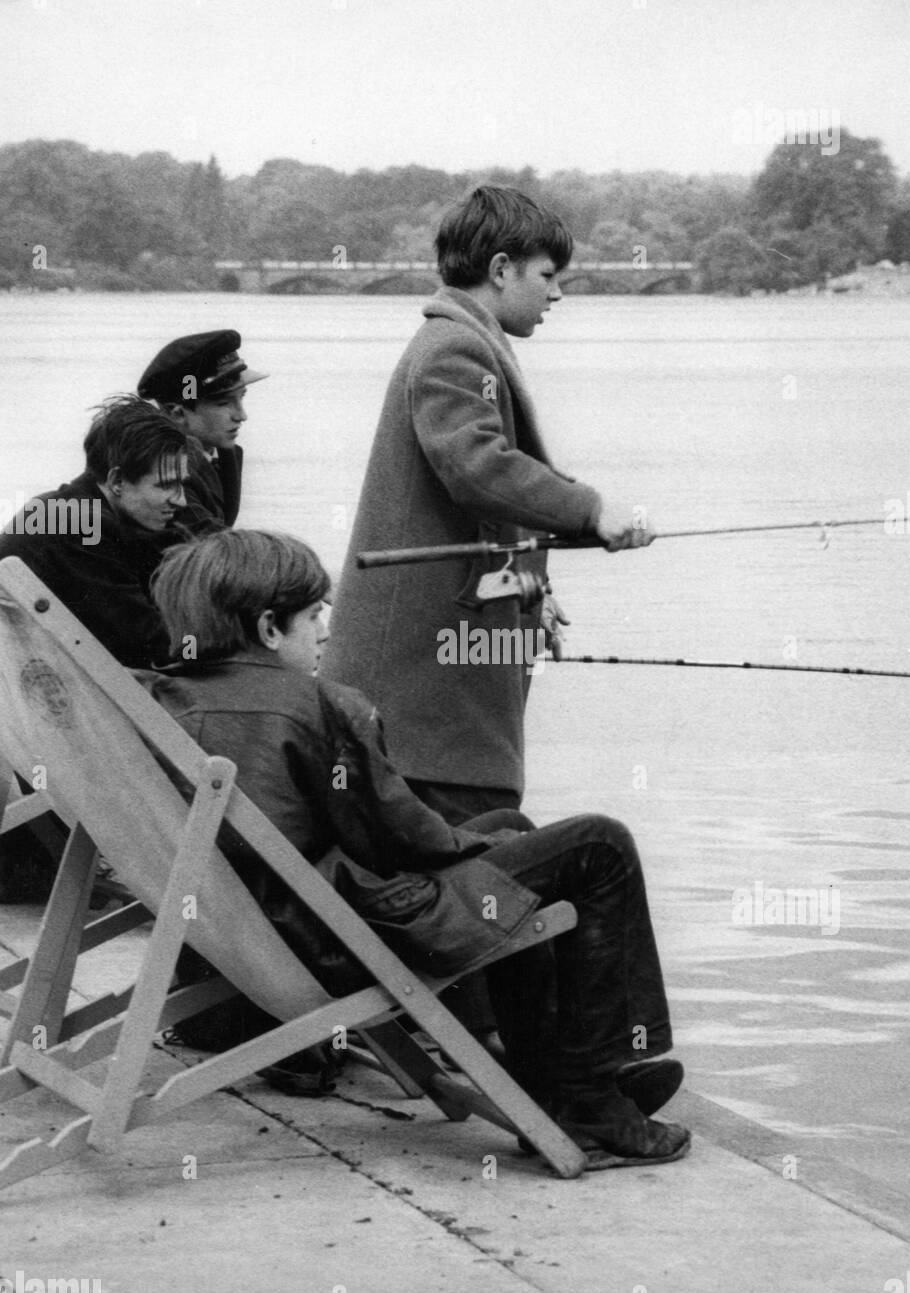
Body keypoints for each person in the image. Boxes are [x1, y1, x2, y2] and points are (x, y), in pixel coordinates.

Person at [146, 529, 690, 1167]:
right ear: (269, 627)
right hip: (342, 935)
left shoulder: (163, 699)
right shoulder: (318, 706)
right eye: (314, 615)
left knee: (514, 828)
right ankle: (589, 1095)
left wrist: (494, 840)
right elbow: (402, 840)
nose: (326, 631)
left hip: (255, 927)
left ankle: (556, 1080)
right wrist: (476, 843)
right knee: (599, 845)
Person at [321, 184, 655, 1040]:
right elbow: (476, 467)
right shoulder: (450, 350)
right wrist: (589, 509)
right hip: (426, 695)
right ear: (500, 267)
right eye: (549, 274)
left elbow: (473, 505)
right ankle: (547, 1065)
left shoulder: (462, 344)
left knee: (478, 867)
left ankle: (538, 1053)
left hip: (444, 676)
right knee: (478, 868)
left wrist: (539, 579)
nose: (557, 292)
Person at [0, 394, 192, 669]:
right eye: (166, 486)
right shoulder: (81, 527)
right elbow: (153, 643)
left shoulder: (62, 506)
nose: (181, 500)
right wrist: (209, 644)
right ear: (116, 481)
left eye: (182, 485)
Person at [137, 329, 267, 532]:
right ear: (177, 413)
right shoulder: (166, 472)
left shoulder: (221, 454)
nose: (241, 415)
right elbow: (209, 541)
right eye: (224, 403)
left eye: (241, 397)